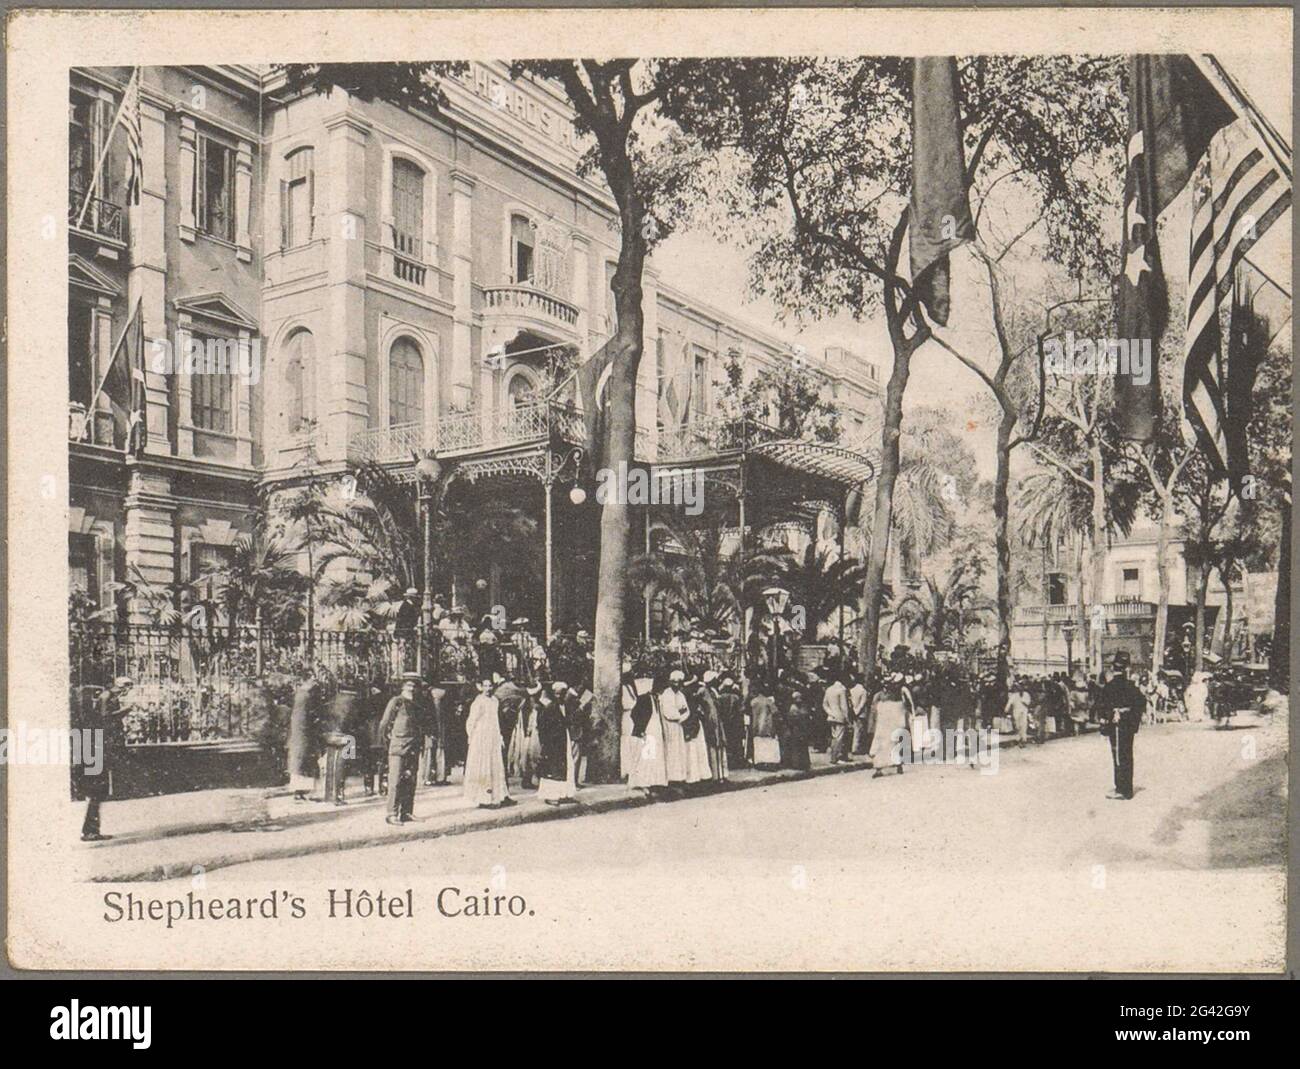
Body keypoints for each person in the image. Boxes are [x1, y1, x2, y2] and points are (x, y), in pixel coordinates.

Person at [81, 677, 131, 841]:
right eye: (126, 688)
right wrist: (126, 710)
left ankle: (91, 830)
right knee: (97, 789)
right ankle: (90, 831)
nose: (126, 692)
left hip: (100, 745)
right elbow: (105, 718)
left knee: (99, 790)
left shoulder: (110, 697)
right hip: (96, 745)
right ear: (121, 687)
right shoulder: (106, 697)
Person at [1095, 651, 1145, 800]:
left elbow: (1102, 707)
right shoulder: (1131, 686)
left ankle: (1121, 789)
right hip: (1128, 725)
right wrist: (1131, 718)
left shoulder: (1109, 687)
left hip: (1116, 726)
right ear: (1126, 668)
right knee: (1127, 755)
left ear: (1112, 668)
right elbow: (1141, 702)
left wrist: (1105, 725)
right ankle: (1127, 788)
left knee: (1118, 756)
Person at [379, 673, 425, 824]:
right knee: (395, 781)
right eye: (408, 685)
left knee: (410, 780)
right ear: (403, 686)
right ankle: (391, 814)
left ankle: (406, 812)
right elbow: (384, 724)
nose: (411, 688)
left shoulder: (417, 703)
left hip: (414, 745)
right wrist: (388, 744)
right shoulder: (396, 702)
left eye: (414, 685)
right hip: (398, 746)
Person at [463, 676, 513, 808]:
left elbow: (497, 720)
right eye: (485, 686)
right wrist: (472, 738)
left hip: (494, 736)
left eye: (490, 686)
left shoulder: (495, 700)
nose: (488, 689)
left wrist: (500, 736)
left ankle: (500, 795)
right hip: (481, 737)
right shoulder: (478, 702)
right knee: (484, 766)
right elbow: (471, 721)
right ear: (480, 687)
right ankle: (485, 799)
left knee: (496, 765)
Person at [535, 681, 579, 805]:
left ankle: (566, 794)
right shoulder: (550, 707)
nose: (559, 695)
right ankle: (550, 795)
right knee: (552, 769)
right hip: (553, 742)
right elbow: (543, 727)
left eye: (562, 693)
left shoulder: (566, 706)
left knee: (566, 766)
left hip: (563, 739)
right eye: (557, 693)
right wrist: (546, 743)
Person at [627, 671, 669, 792]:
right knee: (646, 759)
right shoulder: (644, 699)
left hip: (657, 733)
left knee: (655, 758)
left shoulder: (658, 699)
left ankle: (655, 781)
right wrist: (640, 730)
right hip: (647, 732)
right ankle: (644, 783)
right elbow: (634, 714)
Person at [287, 673, 323, 801]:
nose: (315, 683)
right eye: (312, 680)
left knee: (301, 763)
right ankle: (301, 792)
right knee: (303, 763)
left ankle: (301, 792)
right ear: (306, 681)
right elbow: (308, 717)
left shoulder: (300, 695)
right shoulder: (306, 696)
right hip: (304, 734)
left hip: (300, 734)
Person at [869, 673, 911, 776]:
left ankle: (895, 765)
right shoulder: (881, 697)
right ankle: (882, 768)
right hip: (883, 727)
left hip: (887, 727)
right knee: (885, 745)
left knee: (889, 744)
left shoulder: (892, 700)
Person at [716, 674, 747, 770]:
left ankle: (729, 762)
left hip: (725, 723)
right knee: (736, 743)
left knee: (727, 742)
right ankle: (737, 761)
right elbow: (741, 710)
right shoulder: (736, 697)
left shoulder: (720, 697)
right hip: (735, 723)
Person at [749, 679, 780, 768]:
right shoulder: (768, 701)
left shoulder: (753, 702)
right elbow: (775, 711)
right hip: (767, 725)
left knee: (759, 744)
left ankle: (759, 763)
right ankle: (769, 762)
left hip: (756, 726)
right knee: (768, 744)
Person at [779, 687, 812, 771]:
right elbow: (793, 720)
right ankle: (797, 764)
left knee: (802, 746)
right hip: (797, 729)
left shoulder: (801, 707)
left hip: (802, 729)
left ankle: (802, 763)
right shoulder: (793, 708)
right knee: (797, 747)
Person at [823, 672, 851, 764]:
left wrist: (830, 713)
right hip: (840, 716)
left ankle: (833, 756)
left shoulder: (829, 689)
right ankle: (836, 757)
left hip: (831, 716)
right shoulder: (842, 689)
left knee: (834, 737)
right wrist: (847, 718)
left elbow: (824, 704)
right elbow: (844, 706)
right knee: (839, 738)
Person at [849, 673, 870, 756]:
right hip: (861, 714)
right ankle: (856, 748)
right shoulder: (863, 691)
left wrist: (853, 711)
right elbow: (863, 703)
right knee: (859, 731)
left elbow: (850, 701)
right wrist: (857, 712)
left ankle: (854, 747)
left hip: (853, 711)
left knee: (855, 730)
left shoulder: (852, 690)